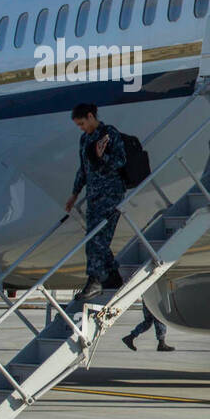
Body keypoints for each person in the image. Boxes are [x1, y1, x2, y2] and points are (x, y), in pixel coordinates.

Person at [65, 103, 128, 300]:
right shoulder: (85, 139)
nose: (81, 128)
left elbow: (121, 161)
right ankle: (113, 276)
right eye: (78, 125)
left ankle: (95, 280)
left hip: (111, 194)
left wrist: (104, 156)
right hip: (93, 196)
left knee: (97, 239)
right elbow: (83, 169)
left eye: (82, 123)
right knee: (94, 239)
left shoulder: (109, 134)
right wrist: (75, 194)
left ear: (91, 116)